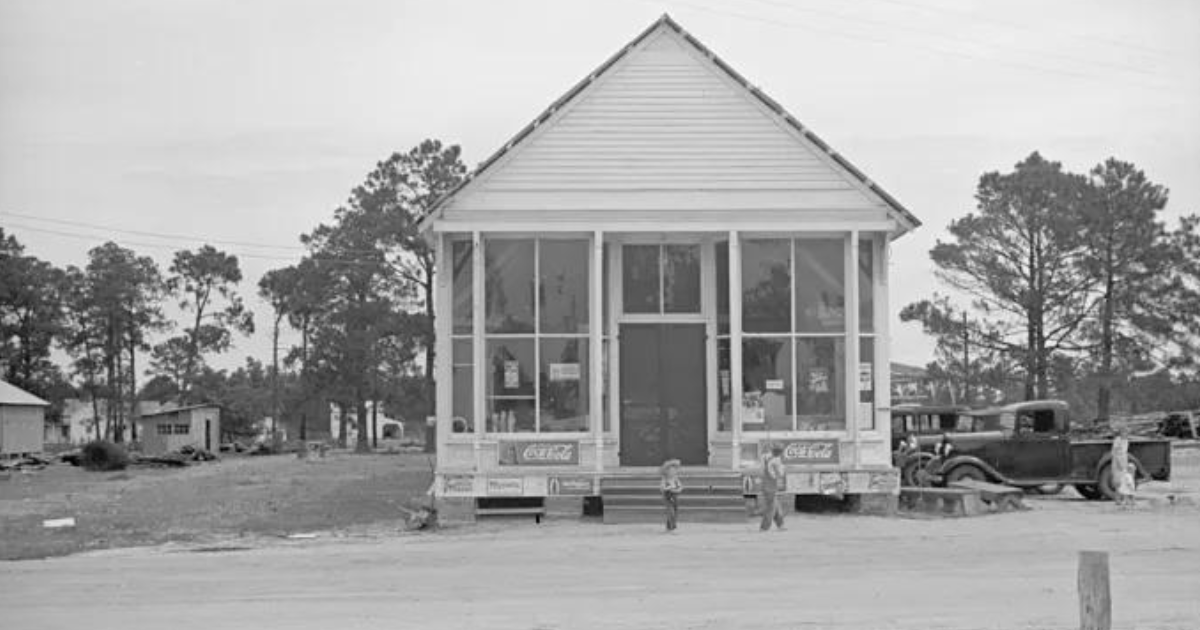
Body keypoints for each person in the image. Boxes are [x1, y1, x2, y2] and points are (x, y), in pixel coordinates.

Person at [760, 444, 786, 531]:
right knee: (771, 507)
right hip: (771, 484)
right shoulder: (776, 460)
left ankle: (780, 524)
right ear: (778, 452)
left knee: (776, 505)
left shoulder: (765, 456)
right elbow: (780, 474)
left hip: (765, 483)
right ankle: (764, 527)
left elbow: (763, 467)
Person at [1111, 424, 1136, 508]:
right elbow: (1115, 452)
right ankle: (1117, 499)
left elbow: (1125, 452)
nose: (1126, 434)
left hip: (1124, 459)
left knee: (1125, 481)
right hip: (1118, 461)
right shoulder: (1118, 440)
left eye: (1127, 432)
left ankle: (1125, 499)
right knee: (1118, 481)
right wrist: (1119, 463)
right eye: (1124, 432)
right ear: (1121, 433)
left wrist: (1125, 462)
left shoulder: (1126, 440)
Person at [660, 458, 683, 532]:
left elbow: (680, 487)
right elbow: (662, 488)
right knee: (671, 511)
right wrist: (668, 488)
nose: (672, 472)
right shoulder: (665, 479)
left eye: (674, 470)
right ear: (666, 471)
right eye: (670, 470)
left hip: (675, 496)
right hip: (668, 497)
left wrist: (677, 489)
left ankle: (669, 526)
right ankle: (673, 527)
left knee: (675, 511)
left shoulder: (676, 479)